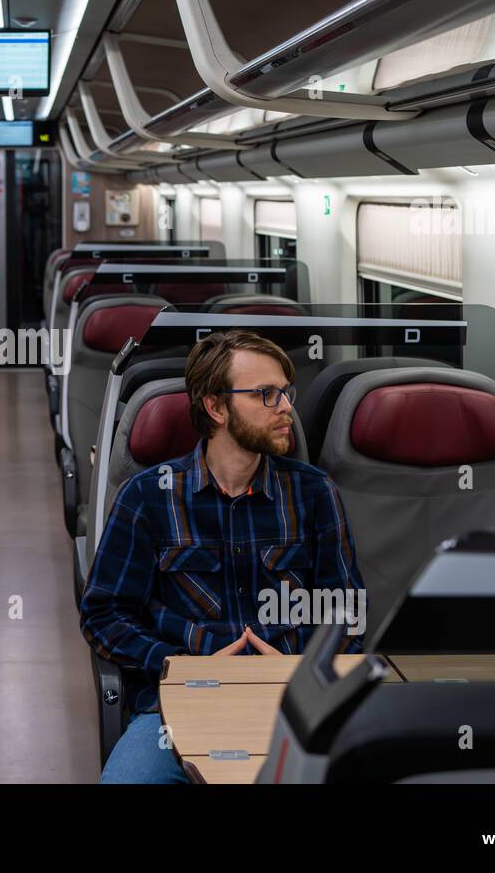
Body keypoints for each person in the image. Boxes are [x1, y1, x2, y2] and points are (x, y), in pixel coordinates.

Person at [79, 329, 365, 783]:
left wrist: (303, 671)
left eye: (285, 393)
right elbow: (103, 613)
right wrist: (179, 665)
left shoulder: (313, 492)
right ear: (215, 407)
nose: (287, 407)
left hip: (294, 696)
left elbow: (347, 612)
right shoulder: (148, 497)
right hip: (178, 701)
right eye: (266, 395)